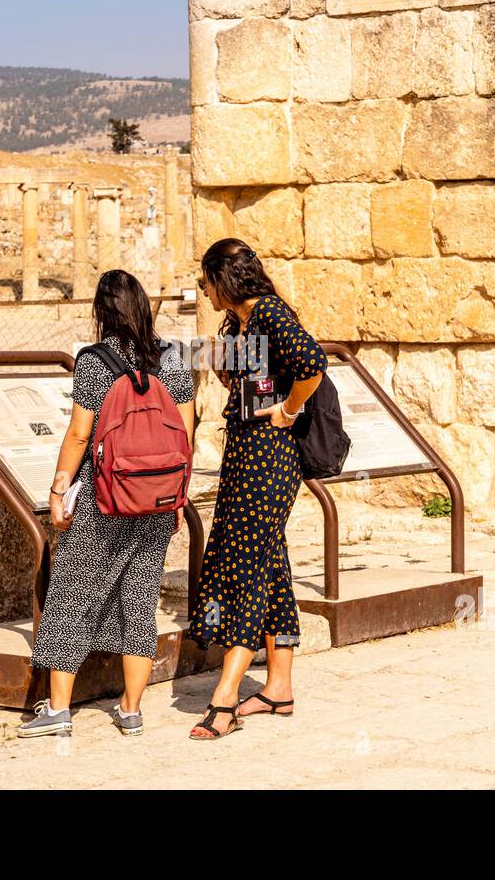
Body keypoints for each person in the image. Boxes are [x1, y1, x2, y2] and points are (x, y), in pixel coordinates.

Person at [18, 269, 195, 738]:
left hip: (105, 499)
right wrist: (177, 497)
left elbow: (80, 434)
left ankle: (58, 710)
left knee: (72, 596)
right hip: (157, 500)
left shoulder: (94, 362)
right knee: (139, 600)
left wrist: (58, 490)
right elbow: (186, 434)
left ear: (102, 312)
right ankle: (132, 709)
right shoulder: (173, 360)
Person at [188, 238, 327, 740]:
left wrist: (288, 411)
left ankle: (225, 693)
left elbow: (312, 363)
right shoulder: (242, 321)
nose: (203, 292)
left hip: (269, 456)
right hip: (245, 450)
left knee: (245, 562)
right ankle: (279, 687)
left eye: (206, 282)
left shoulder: (268, 313)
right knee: (269, 559)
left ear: (223, 279)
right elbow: (244, 382)